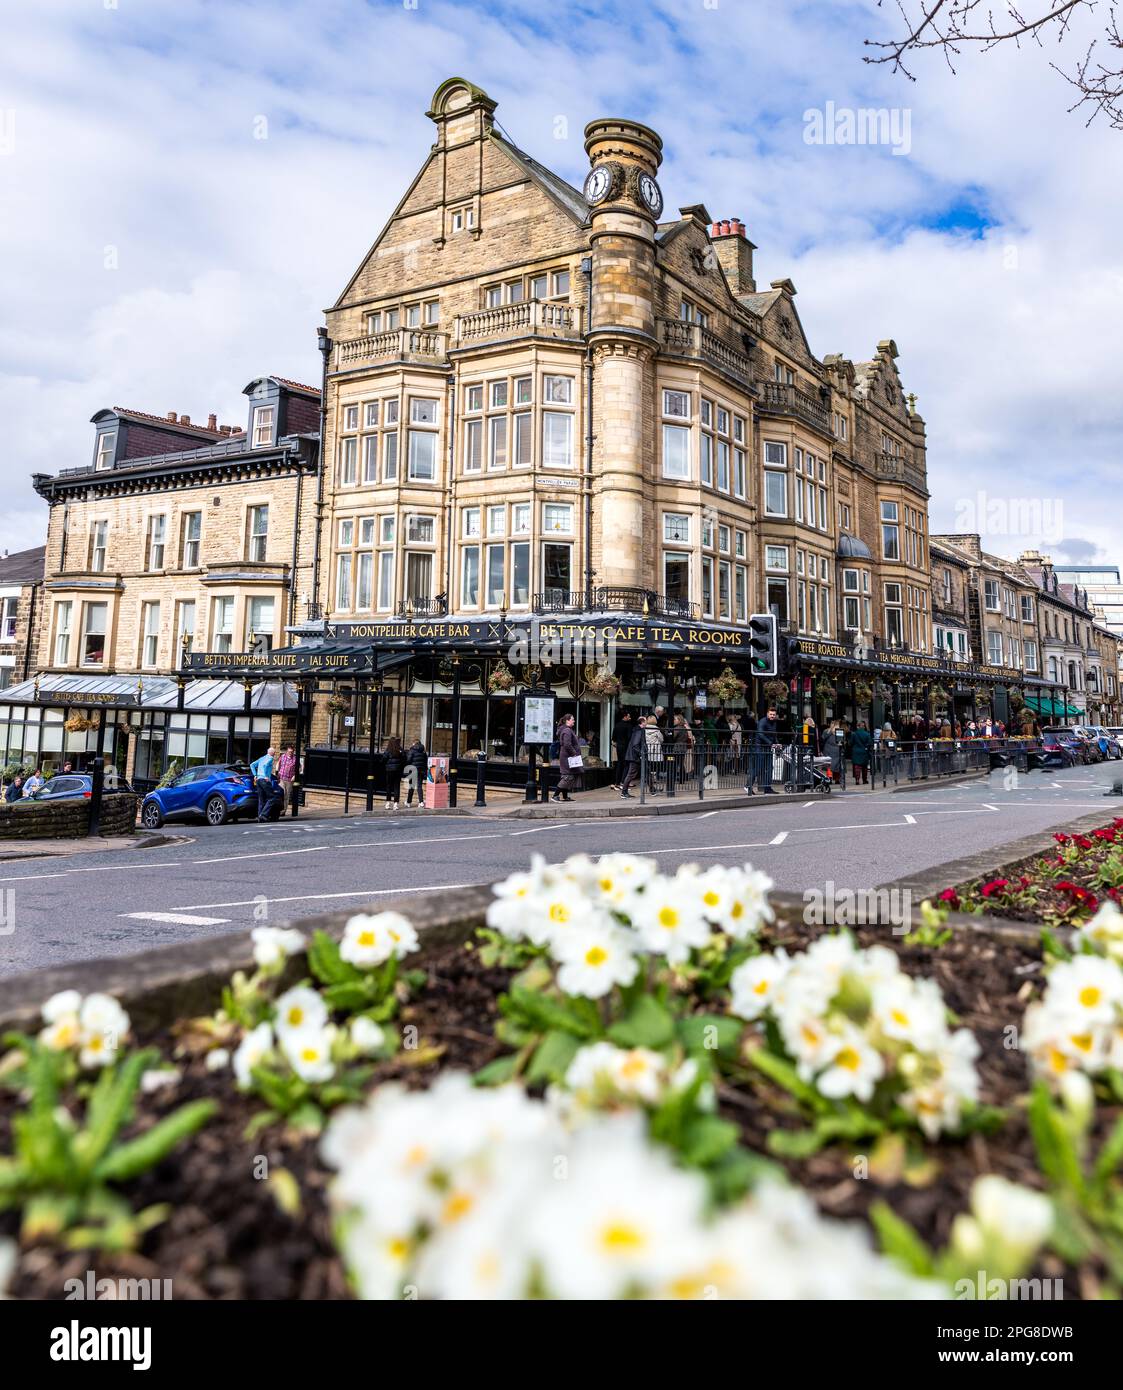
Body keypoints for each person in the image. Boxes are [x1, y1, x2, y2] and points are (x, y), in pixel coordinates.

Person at [750, 706, 779, 795]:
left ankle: (767, 788)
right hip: (760, 748)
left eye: (774, 715)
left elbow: (774, 735)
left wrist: (777, 743)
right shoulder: (763, 721)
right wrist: (771, 743)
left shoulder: (774, 722)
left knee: (770, 767)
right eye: (770, 714)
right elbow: (760, 734)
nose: (772, 716)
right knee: (759, 768)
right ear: (767, 714)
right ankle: (748, 786)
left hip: (767, 748)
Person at [553, 714, 580, 802]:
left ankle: (565, 797)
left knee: (567, 775)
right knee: (567, 776)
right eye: (572, 719)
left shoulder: (567, 730)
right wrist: (574, 753)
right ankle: (555, 795)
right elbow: (567, 744)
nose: (574, 721)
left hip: (567, 756)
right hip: (567, 757)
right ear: (567, 721)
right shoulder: (567, 731)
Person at [619, 717, 647, 798]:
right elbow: (635, 744)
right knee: (631, 774)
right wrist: (641, 753)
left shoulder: (638, 730)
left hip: (635, 756)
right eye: (646, 721)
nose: (647, 723)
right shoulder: (639, 731)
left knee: (647, 772)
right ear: (642, 722)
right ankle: (624, 792)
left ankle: (653, 790)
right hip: (635, 757)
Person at [250, 746, 276, 821]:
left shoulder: (262, 758)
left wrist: (255, 775)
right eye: (274, 753)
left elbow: (252, 765)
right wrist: (265, 776)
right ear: (272, 753)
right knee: (272, 798)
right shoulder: (270, 758)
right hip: (264, 780)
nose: (274, 754)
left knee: (261, 799)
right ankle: (263, 815)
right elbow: (266, 765)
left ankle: (260, 817)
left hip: (258, 780)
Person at [612, 710, 633, 788]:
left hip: (619, 747)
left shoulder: (617, 725)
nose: (630, 718)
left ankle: (617, 782)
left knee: (620, 764)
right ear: (625, 716)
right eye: (628, 716)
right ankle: (623, 782)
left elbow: (614, 738)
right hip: (626, 747)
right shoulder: (628, 726)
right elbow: (629, 737)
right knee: (627, 764)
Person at [383, 736, 405, 811]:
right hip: (398, 770)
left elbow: (384, 759)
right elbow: (404, 758)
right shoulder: (400, 750)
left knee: (389, 786)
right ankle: (395, 804)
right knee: (397, 787)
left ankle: (388, 803)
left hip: (389, 770)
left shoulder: (388, 750)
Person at [405, 737, 427, 807]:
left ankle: (408, 802)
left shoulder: (412, 750)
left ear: (414, 743)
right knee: (419, 786)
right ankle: (421, 802)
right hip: (421, 770)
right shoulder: (423, 751)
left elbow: (408, 760)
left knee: (411, 786)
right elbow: (425, 761)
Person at [825, 720, 847, 789]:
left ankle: (831, 778)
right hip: (835, 750)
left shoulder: (828, 731)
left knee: (831, 766)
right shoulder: (837, 731)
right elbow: (843, 742)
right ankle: (836, 779)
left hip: (831, 750)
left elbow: (822, 739)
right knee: (836, 765)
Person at [276, 745, 296, 810]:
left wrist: (294, 776)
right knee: (281, 794)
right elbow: (278, 764)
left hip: (289, 780)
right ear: (287, 751)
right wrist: (277, 772)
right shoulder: (283, 756)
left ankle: (283, 811)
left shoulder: (295, 759)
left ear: (293, 752)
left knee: (286, 796)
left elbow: (300, 768)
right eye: (289, 752)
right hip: (281, 778)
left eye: (292, 752)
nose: (290, 753)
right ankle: (278, 809)